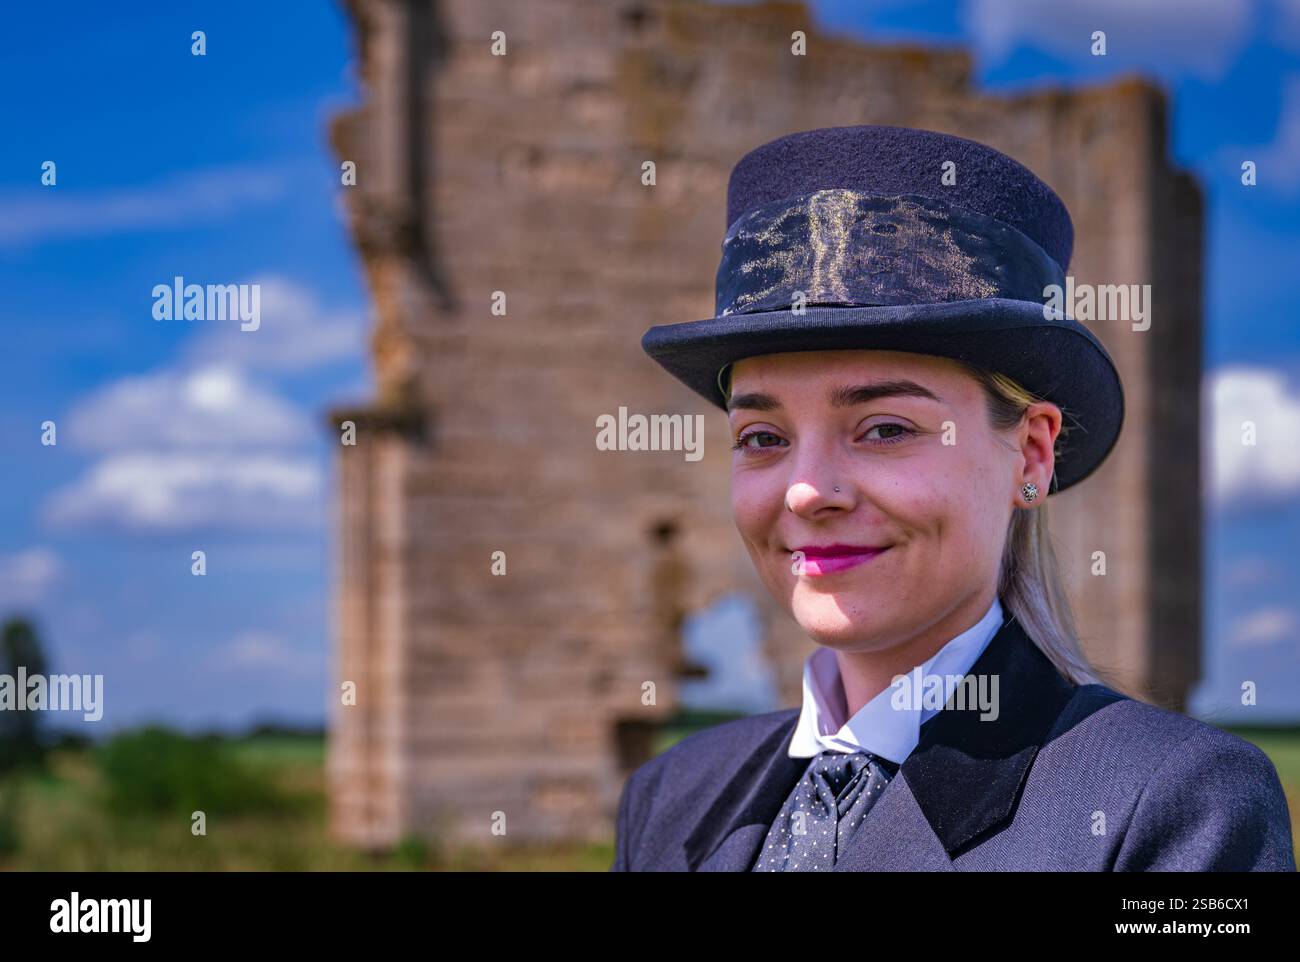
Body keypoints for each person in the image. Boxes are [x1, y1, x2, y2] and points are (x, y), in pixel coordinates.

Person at [611, 124, 1295, 872]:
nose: (807, 491)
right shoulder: (670, 796)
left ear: (1030, 452)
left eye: (884, 428)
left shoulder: (1171, 805)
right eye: (762, 437)